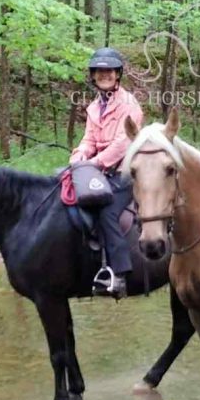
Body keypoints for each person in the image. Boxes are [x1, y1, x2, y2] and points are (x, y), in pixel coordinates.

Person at [70, 47, 144, 298]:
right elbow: (89, 139)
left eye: (109, 71)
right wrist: (80, 155)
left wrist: (95, 163)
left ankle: (120, 274)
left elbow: (123, 143)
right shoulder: (93, 107)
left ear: (117, 74)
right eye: (99, 72)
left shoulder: (130, 105)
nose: (104, 75)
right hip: (98, 169)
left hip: (124, 172)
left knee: (107, 210)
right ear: (93, 76)